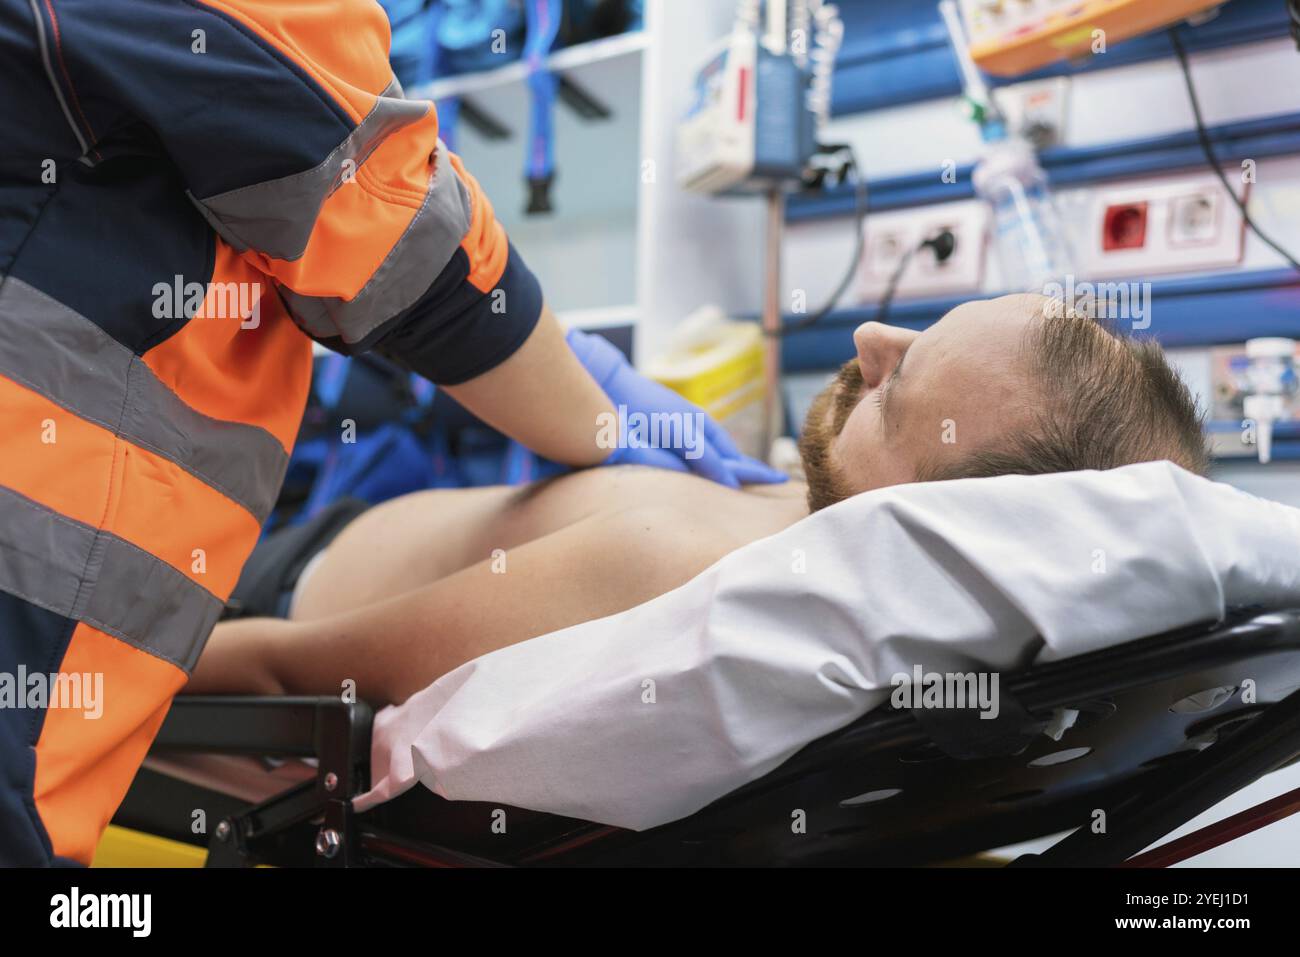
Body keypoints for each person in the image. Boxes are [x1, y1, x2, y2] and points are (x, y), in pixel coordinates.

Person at [0, 0, 775, 866]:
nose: (875, 339)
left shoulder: (696, 544)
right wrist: (590, 400)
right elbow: (396, 234)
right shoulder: (697, 532)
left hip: (194, 575)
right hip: (145, 570)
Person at [188, 294, 1210, 707]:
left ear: (928, 512)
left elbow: (288, 678)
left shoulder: (664, 568)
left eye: (894, 391)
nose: (869, 339)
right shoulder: (821, 533)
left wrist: (77, 666)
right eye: (918, 334)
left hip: (250, 597)